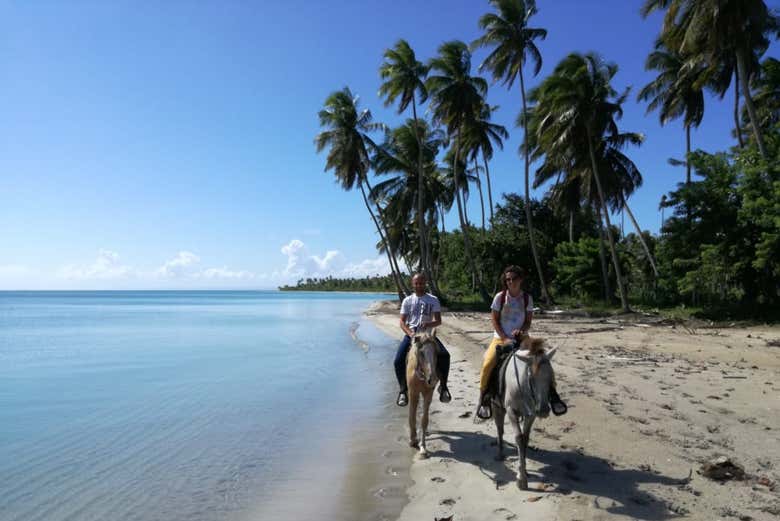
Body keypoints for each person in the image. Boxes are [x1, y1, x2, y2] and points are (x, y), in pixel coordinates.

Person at [476, 265, 566, 419]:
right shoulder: (500, 297)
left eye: (514, 279)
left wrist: (522, 331)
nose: (511, 282)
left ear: (521, 279)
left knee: (543, 360)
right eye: (508, 279)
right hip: (500, 338)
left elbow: (528, 321)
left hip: (523, 338)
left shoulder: (526, 298)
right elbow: (495, 320)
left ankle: (553, 396)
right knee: (487, 363)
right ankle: (483, 397)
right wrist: (504, 337)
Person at [393, 273, 452, 407]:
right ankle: (403, 391)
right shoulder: (407, 300)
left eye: (421, 283)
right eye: (416, 283)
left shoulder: (433, 300)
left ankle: (443, 387)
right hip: (411, 335)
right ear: (412, 284)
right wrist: (410, 333)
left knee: (445, 356)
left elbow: (438, 320)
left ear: (425, 283)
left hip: (428, 336)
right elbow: (402, 322)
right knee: (398, 360)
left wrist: (429, 325)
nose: (419, 285)